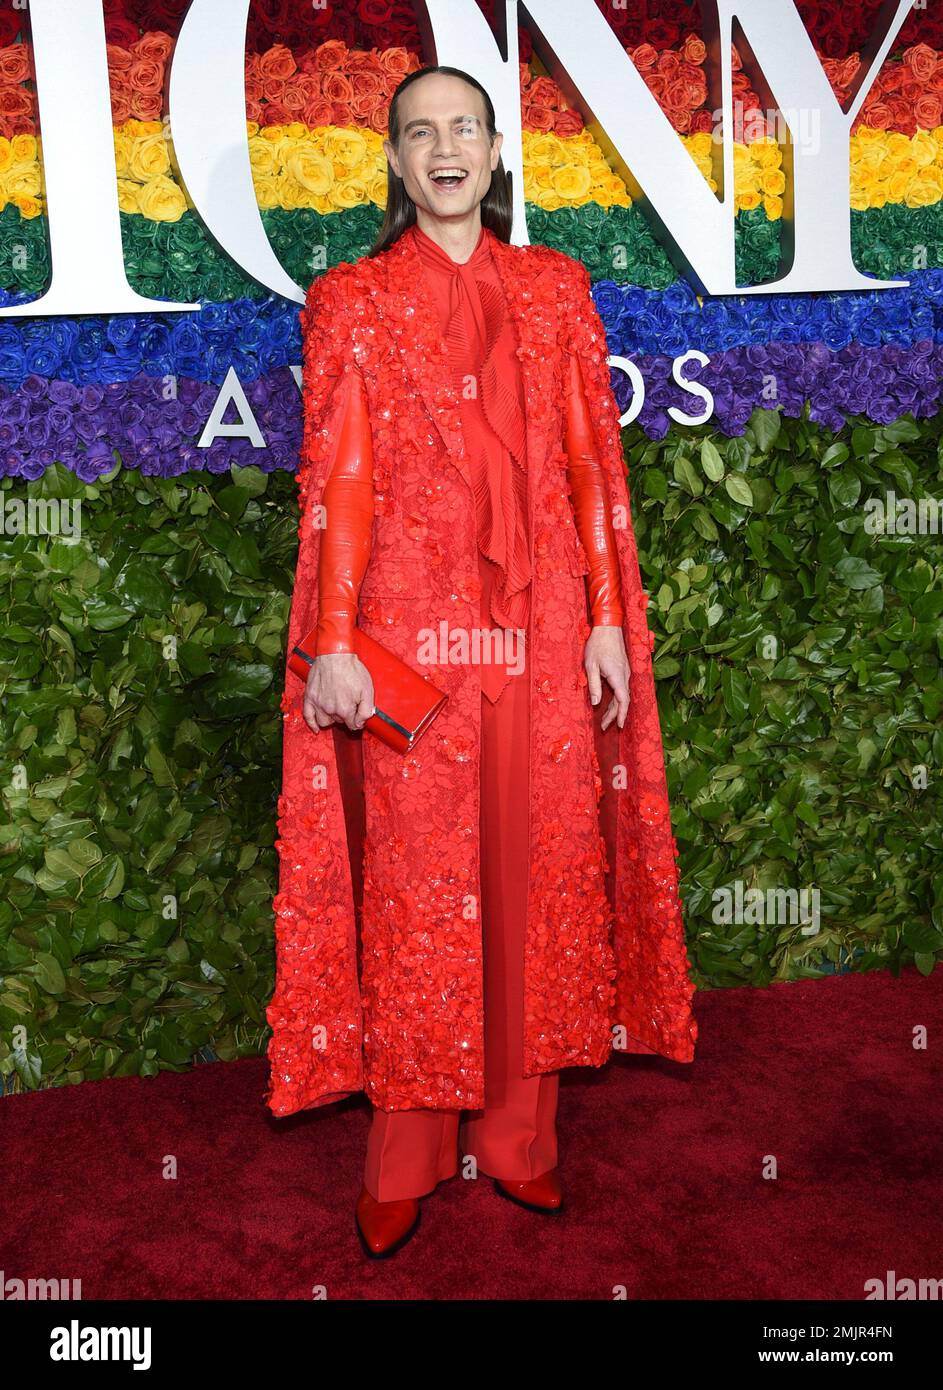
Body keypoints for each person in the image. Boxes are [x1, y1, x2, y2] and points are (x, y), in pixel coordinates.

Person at [265, 65, 697, 1258]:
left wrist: (608, 618)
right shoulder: (349, 297)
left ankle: (519, 1143)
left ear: (495, 152)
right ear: (396, 163)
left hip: (546, 631)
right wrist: (338, 642)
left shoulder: (559, 290)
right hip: (414, 633)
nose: (444, 149)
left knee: (538, 874)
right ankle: (404, 1157)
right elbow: (337, 479)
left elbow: (586, 471)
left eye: (464, 129)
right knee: (420, 893)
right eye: (420, 133)